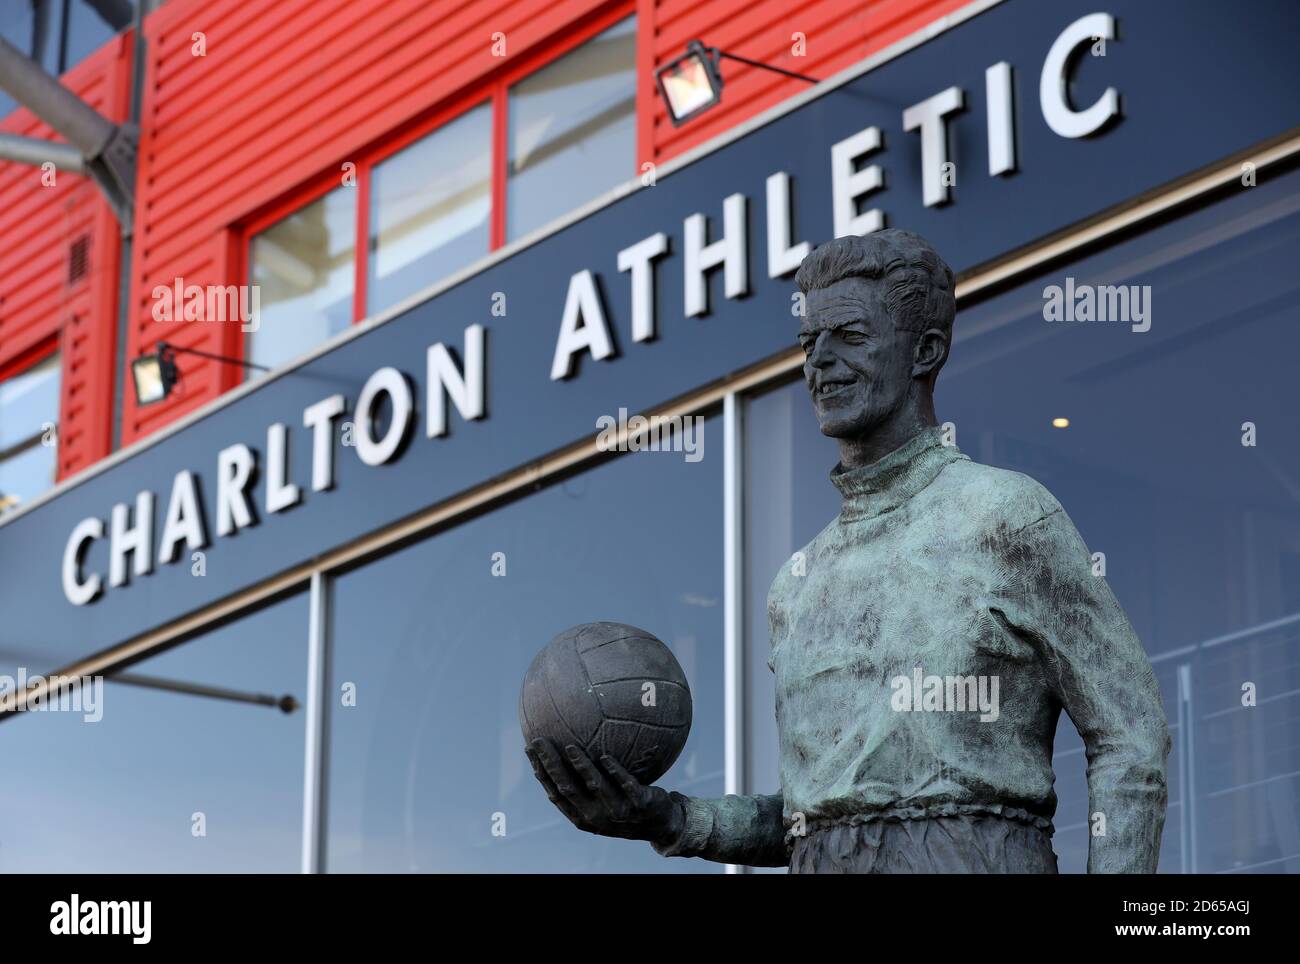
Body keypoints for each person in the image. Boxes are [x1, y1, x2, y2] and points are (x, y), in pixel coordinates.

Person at [526, 229, 1170, 873]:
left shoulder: (1005, 516)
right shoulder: (798, 586)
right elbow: (814, 818)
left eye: (850, 337)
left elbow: (1129, 735)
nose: (820, 361)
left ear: (925, 350)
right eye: (810, 343)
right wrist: (675, 819)